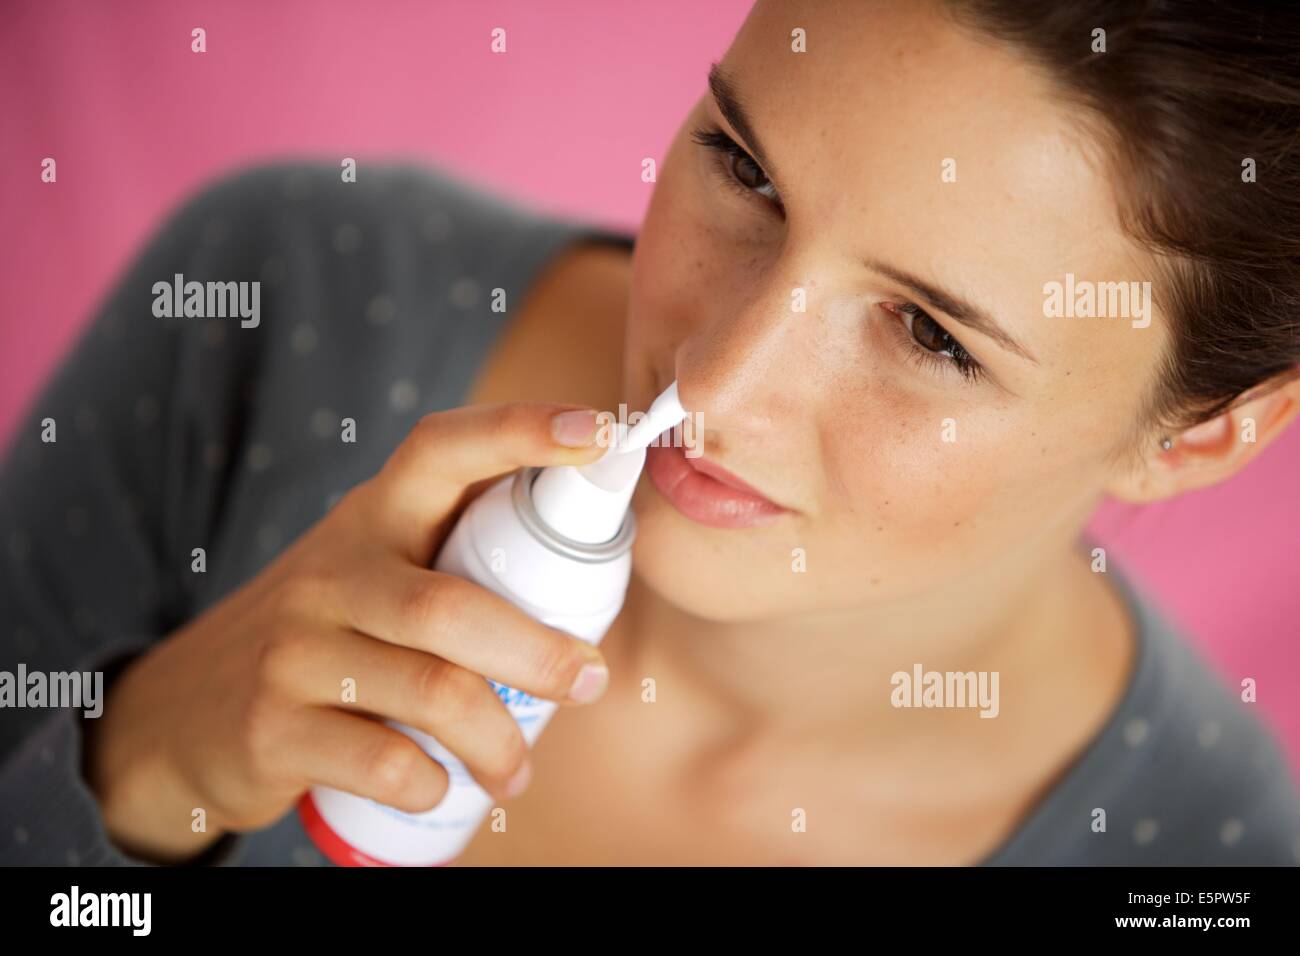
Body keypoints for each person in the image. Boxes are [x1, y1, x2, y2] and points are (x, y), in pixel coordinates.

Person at [2, 0, 1299, 866]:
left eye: (934, 337)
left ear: (1198, 439)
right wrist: (140, 766)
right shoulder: (290, 302)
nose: (713, 382)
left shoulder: (1197, 853)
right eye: (744, 169)